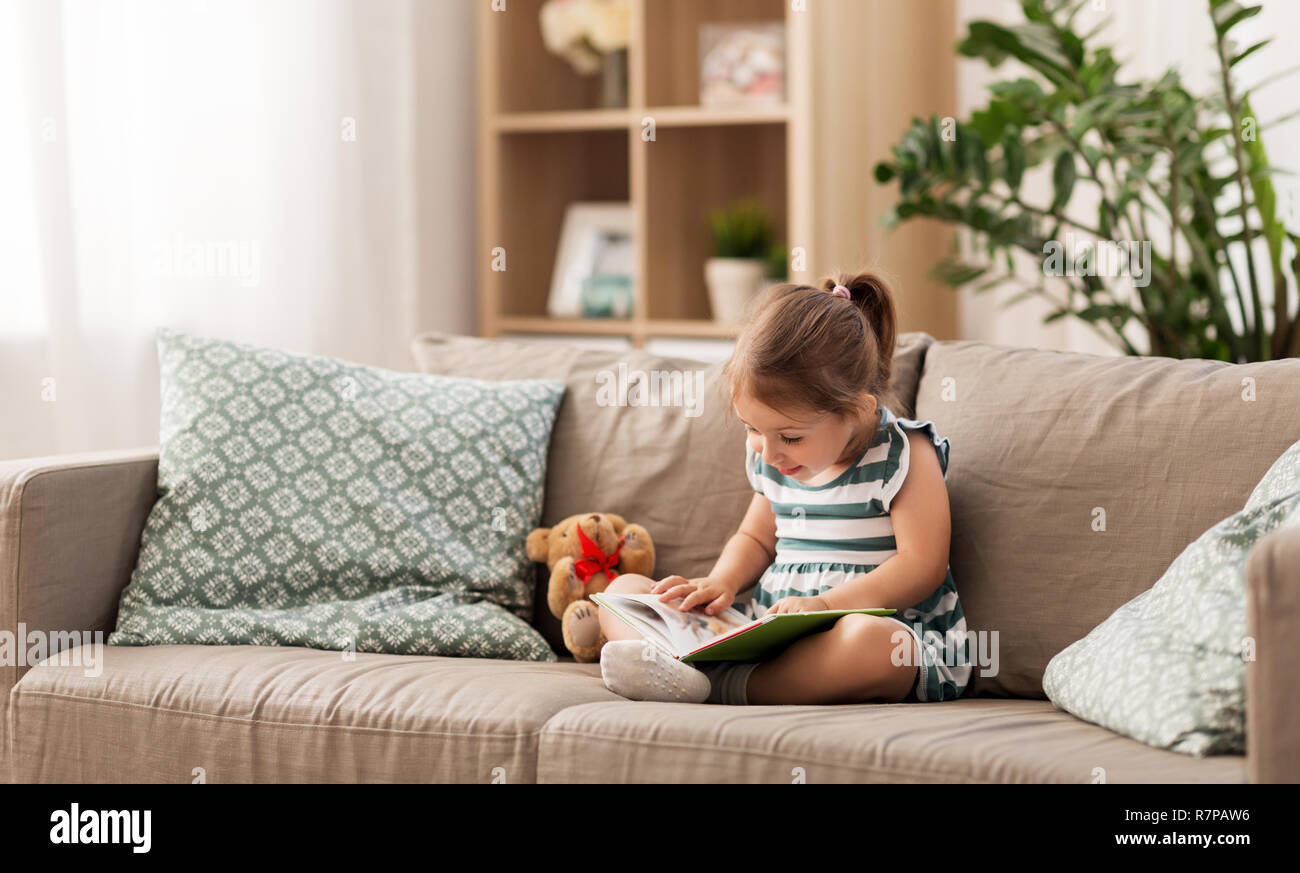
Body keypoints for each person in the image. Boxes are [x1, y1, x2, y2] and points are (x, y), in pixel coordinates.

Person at [595, 270, 972, 705]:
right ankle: (687, 667)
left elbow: (921, 566)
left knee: (879, 645)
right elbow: (755, 538)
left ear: (856, 410)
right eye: (752, 428)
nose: (768, 452)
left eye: (790, 437)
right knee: (621, 594)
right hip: (770, 629)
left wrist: (828, 605)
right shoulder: (774, 458)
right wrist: (721, 582)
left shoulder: (904, 452)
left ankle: (724, 687)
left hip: (861, 631)